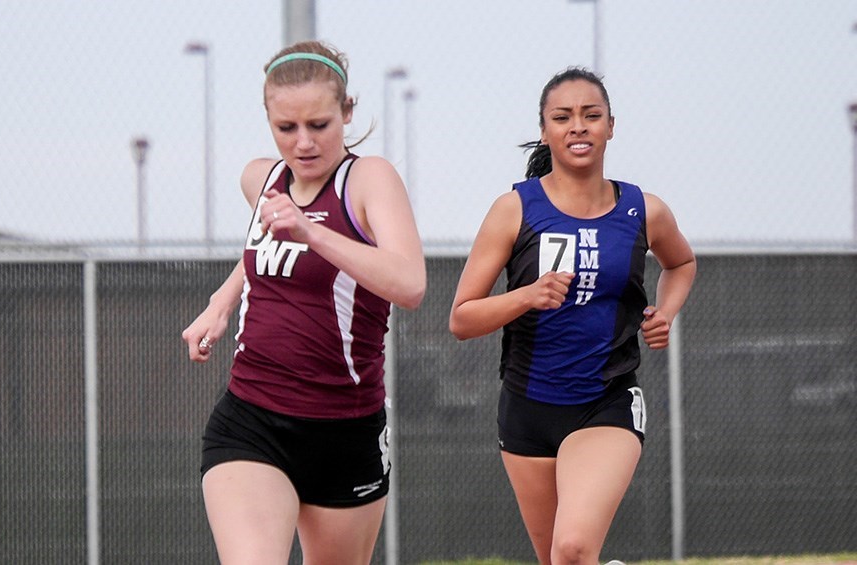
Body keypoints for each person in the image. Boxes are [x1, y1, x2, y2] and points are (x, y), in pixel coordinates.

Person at [181, 40, 425, 565]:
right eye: (286, 128)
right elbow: (264, 241)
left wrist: (313, 235)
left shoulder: (367, 179)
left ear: (347, 112)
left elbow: (409, 284)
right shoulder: (262, 180)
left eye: (319, 124)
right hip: (252, 418)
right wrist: (223, 301)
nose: (304, 143)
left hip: (345, 428)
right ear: (268, 119)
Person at [449, 68, 696, 565]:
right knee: (559, 561)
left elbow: (682, 263)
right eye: (562, 117)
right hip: (527, 409)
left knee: (574, 548)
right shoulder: (514, 209)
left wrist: (664, 312)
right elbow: (462, 319)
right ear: (545, 130)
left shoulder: (643, 210)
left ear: (610, 126)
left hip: (605, 403)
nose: (578, 126)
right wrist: (527, 296)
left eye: (591, 115)